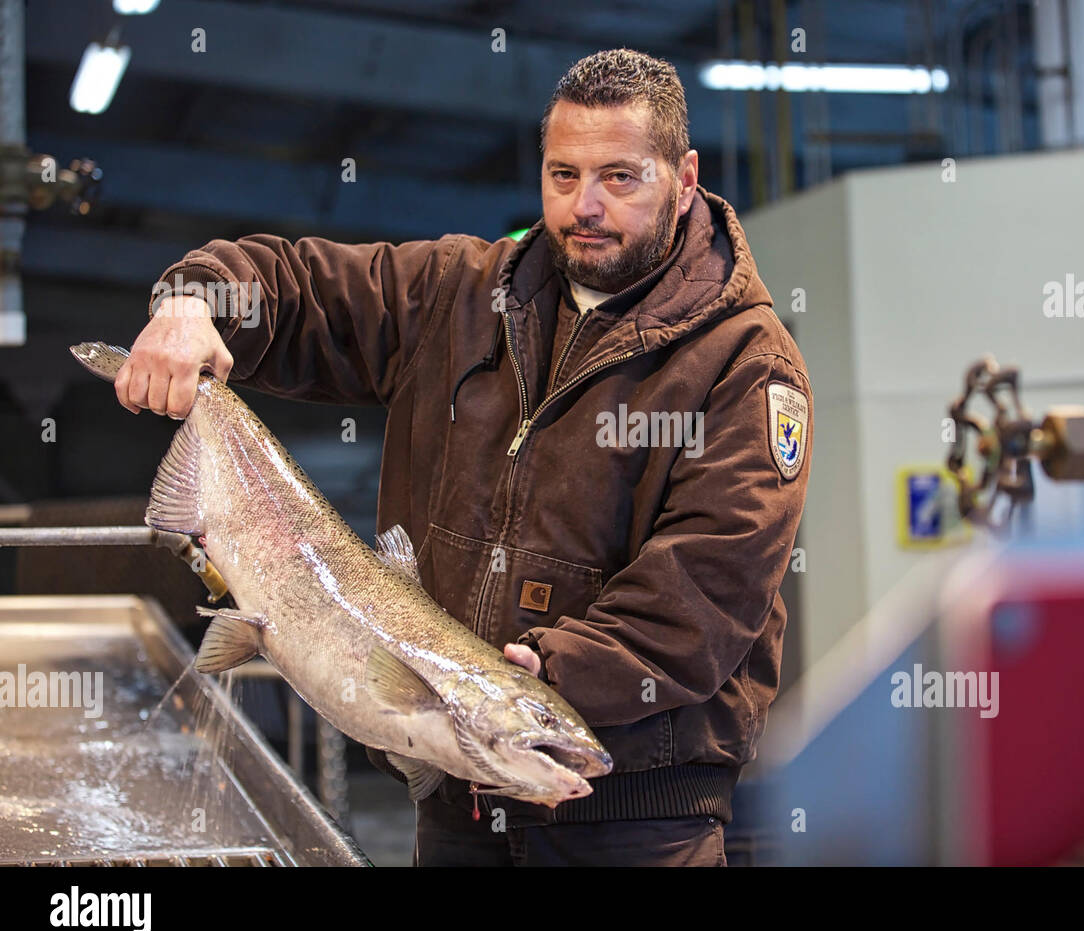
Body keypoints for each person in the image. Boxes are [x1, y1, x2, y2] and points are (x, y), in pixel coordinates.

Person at [118, 48, 812, 867]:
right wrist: (196, 302)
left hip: (629, 822)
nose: (584, 206)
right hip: (458, 808)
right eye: (562, 175)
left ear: (685, 177)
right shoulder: (462, 293)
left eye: (619, 178)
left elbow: (706, 591)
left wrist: (533, 679)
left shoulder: (744, 365)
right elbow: (300, 286)